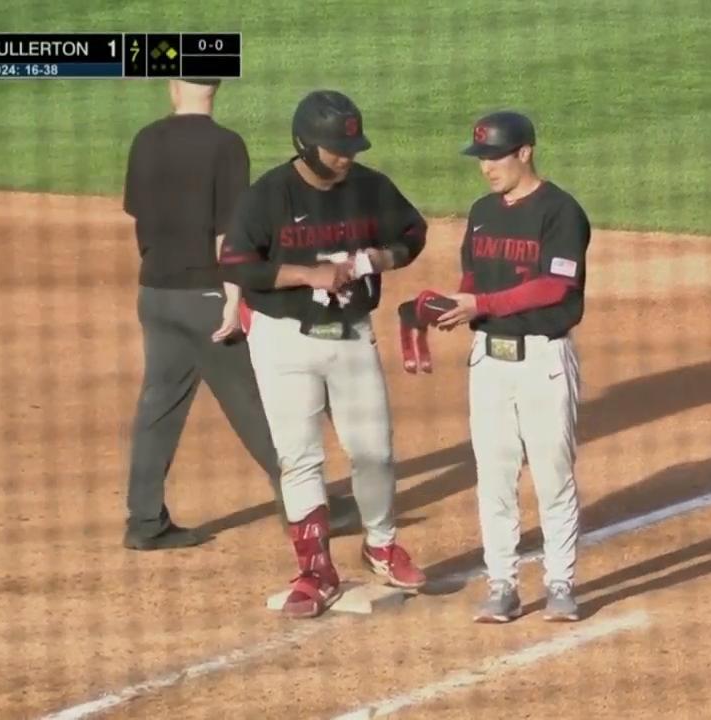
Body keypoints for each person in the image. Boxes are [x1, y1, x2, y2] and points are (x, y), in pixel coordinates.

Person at [120, 78, 358, 551]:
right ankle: (302, 507)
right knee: (260, 402)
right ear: (216, 87)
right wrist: (233, 299)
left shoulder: (146, 138)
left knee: (157, 406)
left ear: (173, 86)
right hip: (206, 294)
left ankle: (144, 522)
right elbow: (228, 235)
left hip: (154, 289)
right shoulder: (226, 145)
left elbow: (138, 214)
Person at [218, 89, 429, 618]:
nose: (346, 157)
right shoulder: (268, 196)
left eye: (351, 147)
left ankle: (380, 544)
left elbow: (413, 234)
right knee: (300, 457)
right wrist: (304, 273)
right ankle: (315, 571)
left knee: (374, 449)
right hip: (284, 340)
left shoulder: (370, 187)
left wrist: (377, 258)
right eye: (337, 148)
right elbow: (238, 263)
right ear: (307, 145)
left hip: (352, 334)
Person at [435, 110, 592, 623]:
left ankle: (561, 583)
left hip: (543, 360)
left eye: (495, 156)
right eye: (480, 158)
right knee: (495, 476)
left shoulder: (561, 212)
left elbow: (554, 287)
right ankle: (501, 583)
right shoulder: (482, 211)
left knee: (552, 475)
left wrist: (484, 305)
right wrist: (443, 308)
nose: (486, 167)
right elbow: (471, 280)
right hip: (489, 363)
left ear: (525, 152)